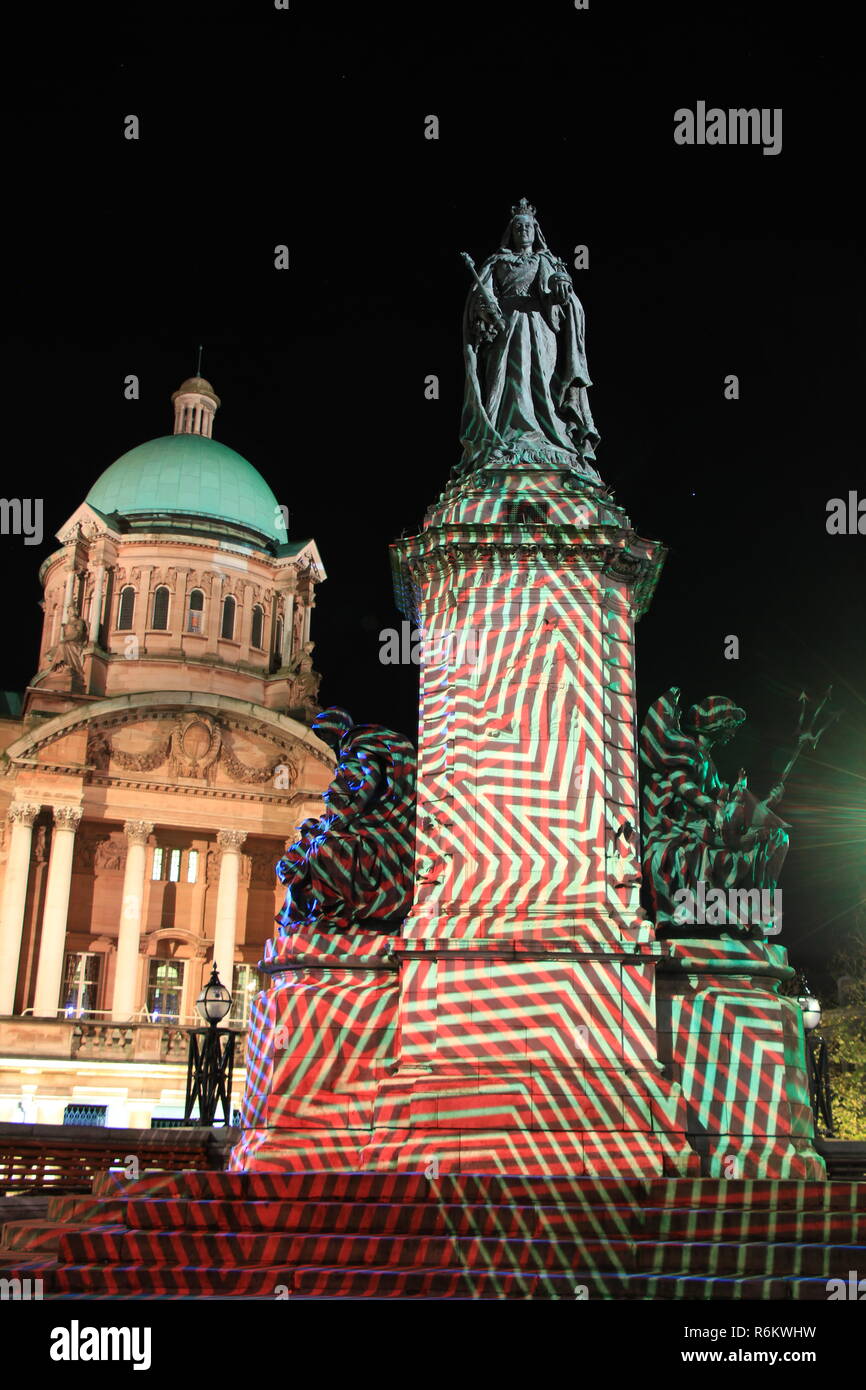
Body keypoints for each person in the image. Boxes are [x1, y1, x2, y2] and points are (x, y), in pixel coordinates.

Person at [459, 198, 600, 477]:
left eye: (528, 227)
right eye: (518, 227)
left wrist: (562, 292)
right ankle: (506, 437)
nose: (523, 231)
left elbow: (561, 301)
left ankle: (544, 436)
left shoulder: (545, 261)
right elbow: (480, 297)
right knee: (507, 380)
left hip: (539, 329)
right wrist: (485, 307)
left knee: (541, 382)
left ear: (535, 231)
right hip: (506, 329)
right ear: (511, 232)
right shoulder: (497, 262)